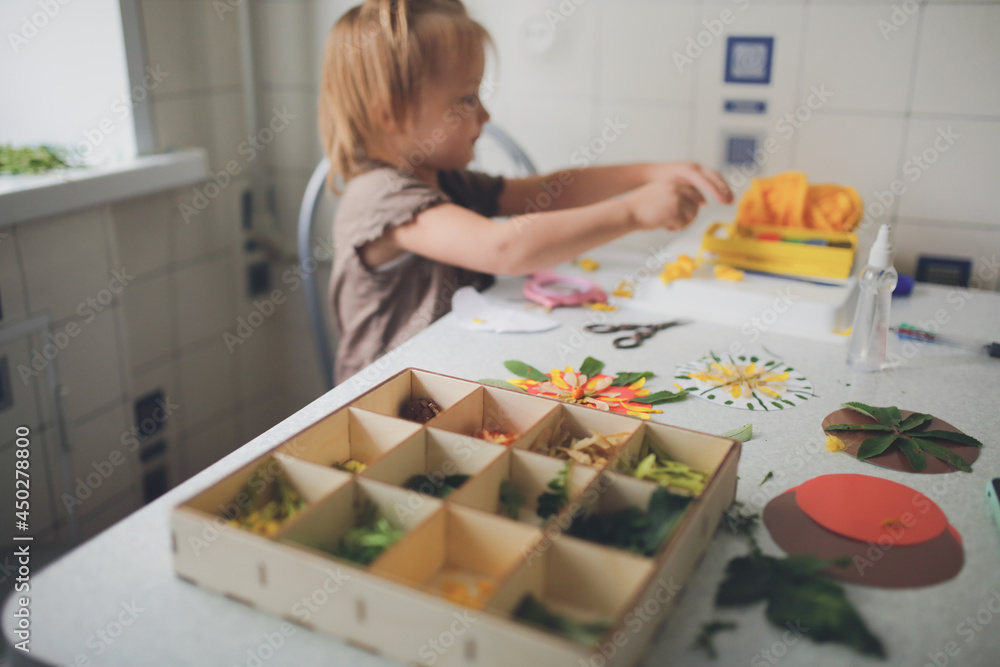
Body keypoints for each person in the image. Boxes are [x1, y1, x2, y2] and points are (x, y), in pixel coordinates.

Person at [321, 0, 733, 383]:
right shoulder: (379, 196)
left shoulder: (444, 181)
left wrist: (650, 172)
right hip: (378, 397)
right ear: (389, 113)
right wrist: (633, 213)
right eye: (466, 98)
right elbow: (502, 247)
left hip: (447, 370)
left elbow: (547, 191)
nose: (485, 113)